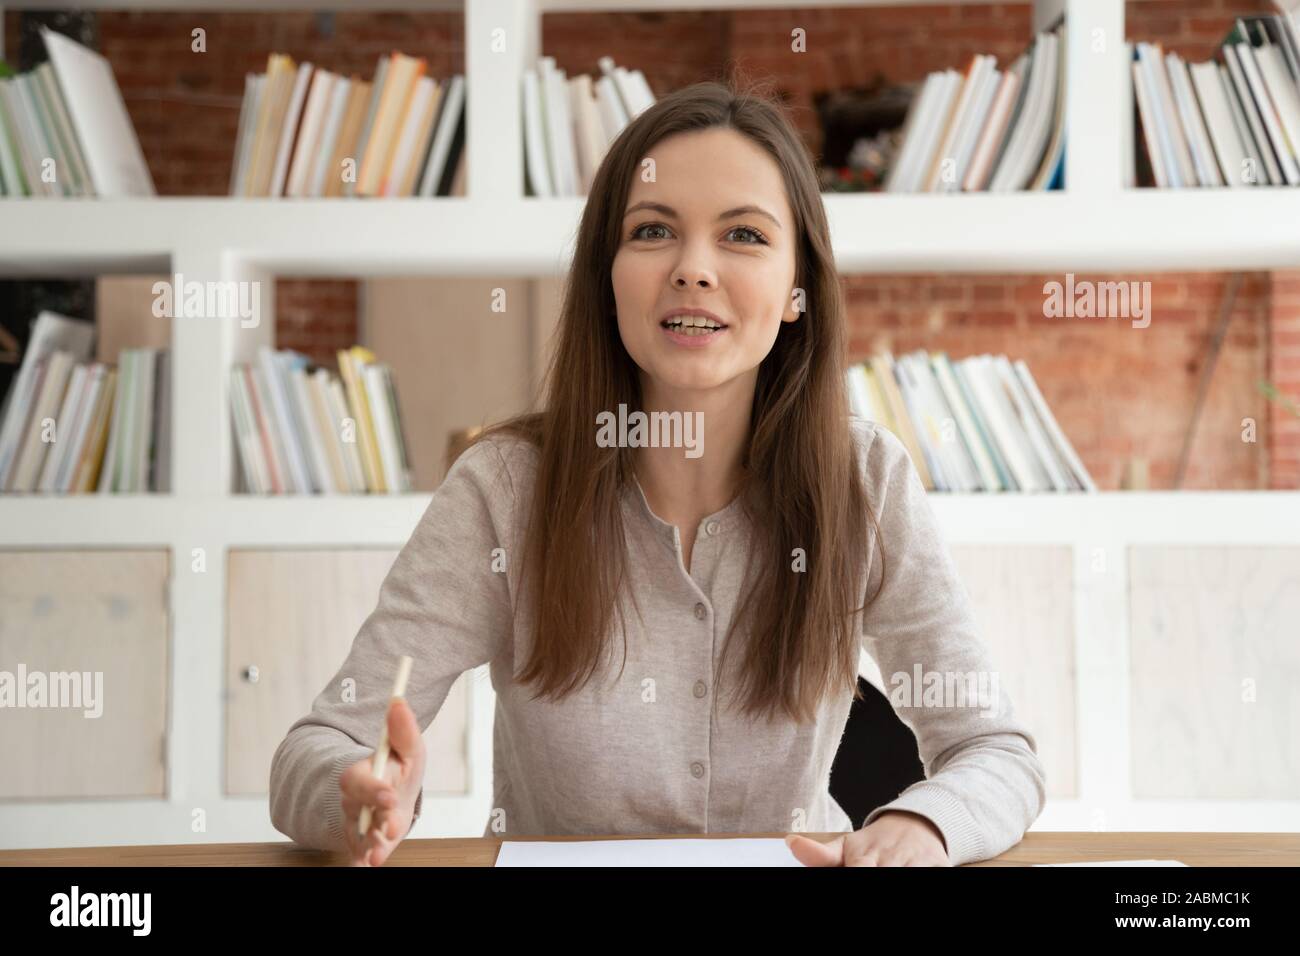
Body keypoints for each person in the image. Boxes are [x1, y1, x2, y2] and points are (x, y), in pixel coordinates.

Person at [269, 79, 1046, 867]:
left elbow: (995, 752)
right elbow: (323, 742)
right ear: (607, 279)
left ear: (797, 291)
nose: (693, 269)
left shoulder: (864, 480)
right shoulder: (501, 490)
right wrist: (354, 791)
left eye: (743, 235)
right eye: (652, 231)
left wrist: (926, 825)